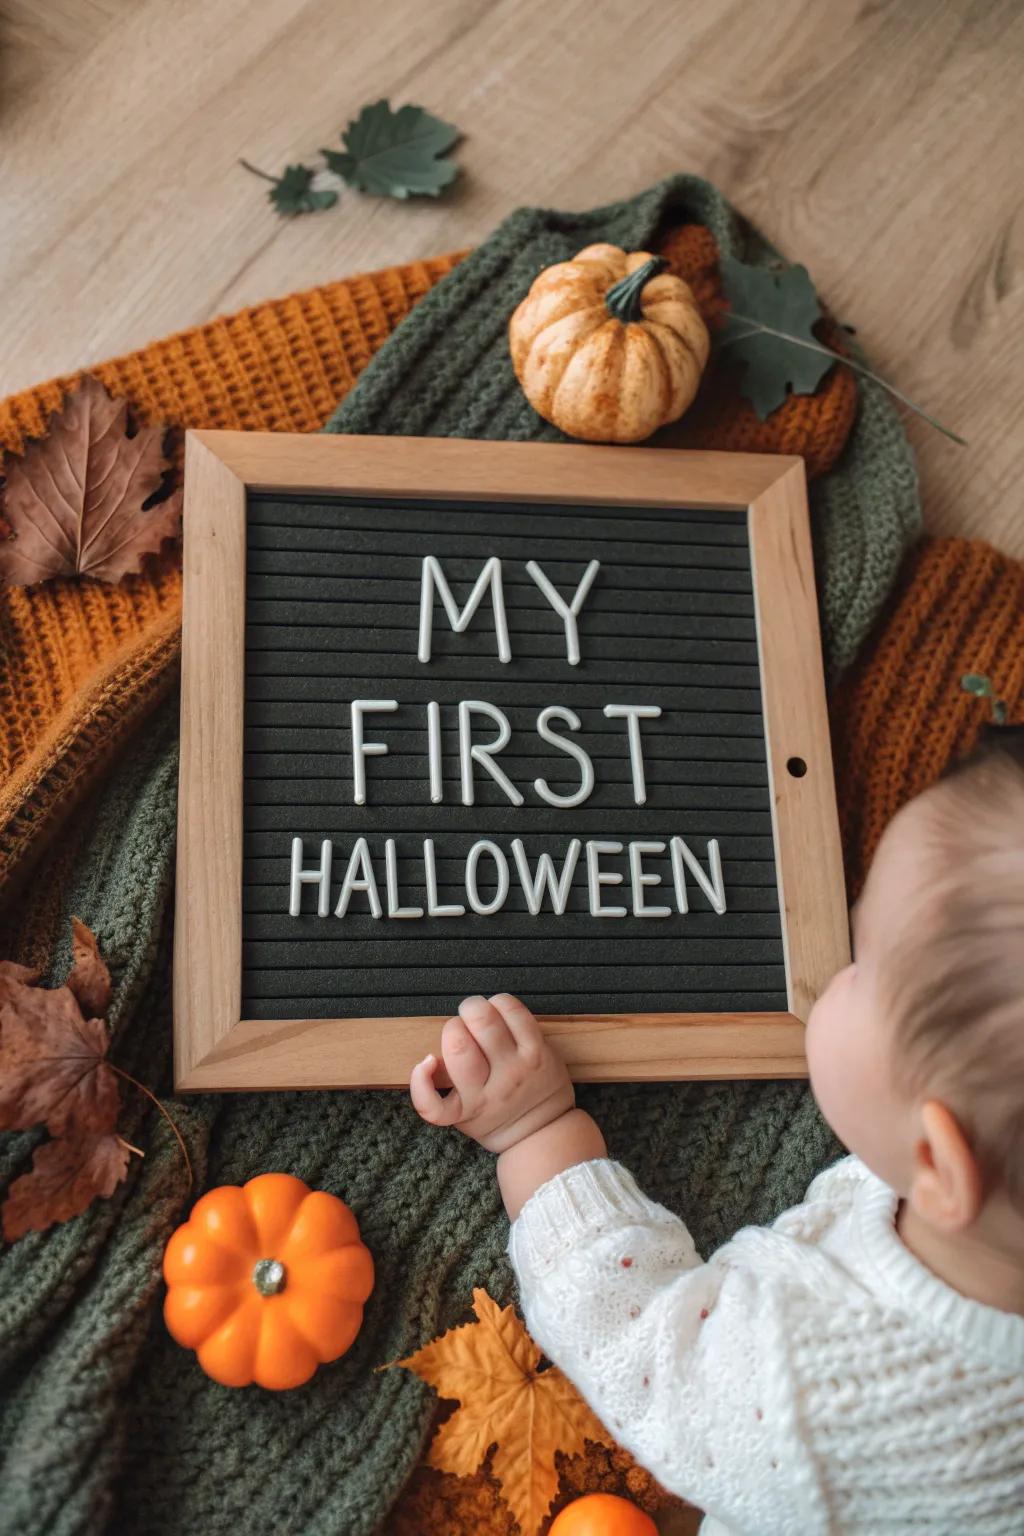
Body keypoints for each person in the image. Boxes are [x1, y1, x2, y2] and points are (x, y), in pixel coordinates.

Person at [409, 736, 1024, 1534]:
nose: (835, 956)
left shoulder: (812, 1394)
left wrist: (538, 1129)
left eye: (864, 966)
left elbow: (638, 1350)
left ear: (937, 1163)